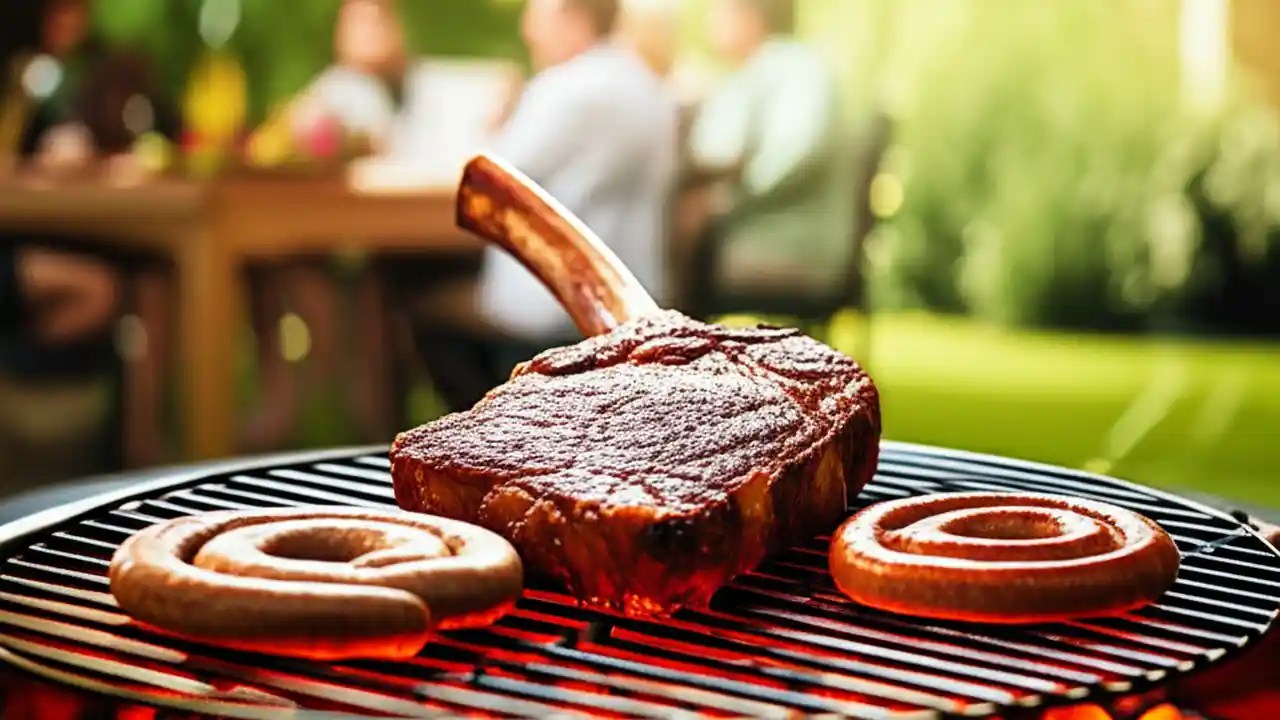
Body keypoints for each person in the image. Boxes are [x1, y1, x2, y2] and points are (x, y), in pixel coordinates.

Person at [415, 0, 678, 411]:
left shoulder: (562, 88)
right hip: (640, 299)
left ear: (574, 19)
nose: (527, 31)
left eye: (536, 16)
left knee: (420, 307)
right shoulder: (650, 87)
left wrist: (496, 121)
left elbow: (488, 177)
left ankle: (488, 427)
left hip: (552, 304)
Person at [684, 0, 854, 310]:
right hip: (748, 237)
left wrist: (724, 202)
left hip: (786, 248)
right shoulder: (752, 73)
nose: (713, 19)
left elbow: (793, 153)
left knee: (671, 254)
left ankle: (656, 345)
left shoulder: (797, 67)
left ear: (750, 15)